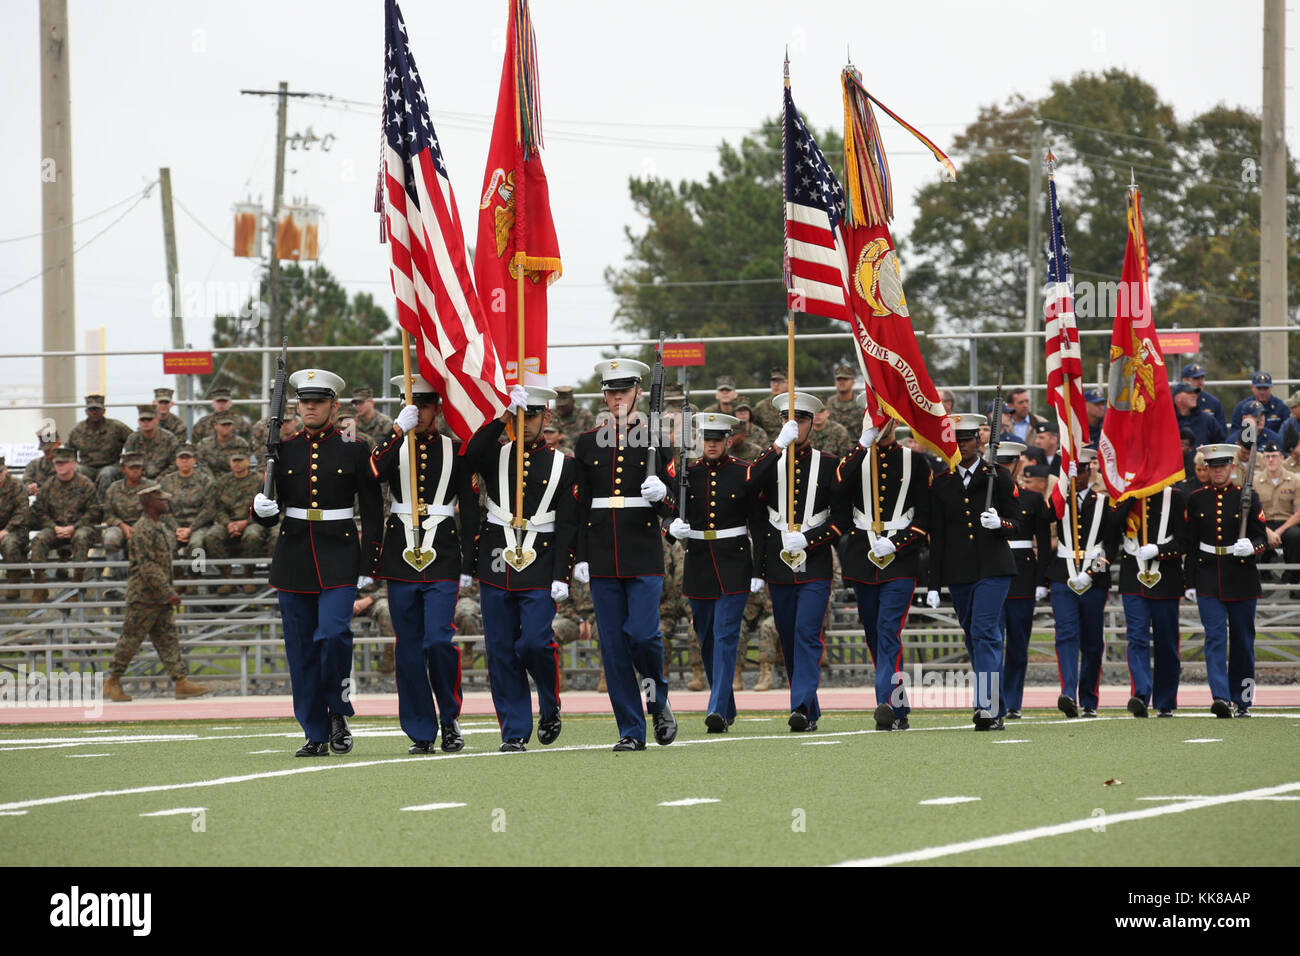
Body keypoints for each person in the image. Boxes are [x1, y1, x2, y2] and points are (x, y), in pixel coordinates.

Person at [251, 369, 383, 757]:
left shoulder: (355, 450)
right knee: (301, 651)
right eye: (304, 402)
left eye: (318, 401)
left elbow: (374, 512)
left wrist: (369, 565)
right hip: (293, 557)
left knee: (333, 635)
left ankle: (337, 711)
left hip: (340, 554)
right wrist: (260, 510)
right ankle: (314, 730)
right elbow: (270, 512)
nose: (310, 407)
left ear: (333, 405)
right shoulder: (284, 449)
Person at [572, 358, 678, 751]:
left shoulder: (657, 439)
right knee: (614, 646)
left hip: (642, 550)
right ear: (604, 395)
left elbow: (675, 504)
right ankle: (630, 730)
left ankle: (657, 699)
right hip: (601, 553)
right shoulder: (586, 442)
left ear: (637, 393)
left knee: (643, 635)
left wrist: (662, 495)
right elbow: (580, 507)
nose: (618, 396)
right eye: (611, 391)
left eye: (625, 390)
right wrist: (580, 556)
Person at [465, 384, 576, 752]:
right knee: (500, 649)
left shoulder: (564, 464)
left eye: (532, 416)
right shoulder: (496, 454)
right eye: (519, 416)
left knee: (534, 642)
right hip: (497, 558)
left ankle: (549, 701)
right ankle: (514, 729)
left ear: (546, 417)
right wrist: (500, 416)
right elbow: (470, 456)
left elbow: (568, 525)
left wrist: (562, 573)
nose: (525, 423)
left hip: (541, 561)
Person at [372, 374, 477, 755]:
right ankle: (421, 729)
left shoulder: (456, 449)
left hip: (444, 553)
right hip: (401, 554)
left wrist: (469, 559)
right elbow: (371, 472)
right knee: (409, 648)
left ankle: (449, 716)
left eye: (427, 405)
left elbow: (470, 510)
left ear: (439, 408)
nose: (421, 412)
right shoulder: (394, 445)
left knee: (438, 640)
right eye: (413, 404)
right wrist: (397, 428)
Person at [748, 393, 840, 732]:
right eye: (790, 420)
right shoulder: (770, 460)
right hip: (778, 561)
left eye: (801, 420)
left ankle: (798, 704)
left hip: (815, 561)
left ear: (812, 422)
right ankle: (808, 710)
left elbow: (840, 518)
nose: (796, 426)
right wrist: (776, 447)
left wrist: (811, 539)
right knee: (787, 636)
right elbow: (748, 486)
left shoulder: (829, 463)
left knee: (807, 633)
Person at [926, 413, 1020, 730]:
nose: (961, 445)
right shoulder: (941, 483)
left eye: (966, 439)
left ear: (979, 440)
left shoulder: (998, 476)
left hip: (994, 568)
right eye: (956, 440)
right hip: (959, 570)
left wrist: (1001, 523)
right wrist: (933, 585)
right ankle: (999, 703)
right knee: (972, 637)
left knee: (984, 633)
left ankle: (987, 707)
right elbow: (937, 537)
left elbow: (1018, 522)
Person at [835, 415, 929, 731]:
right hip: (863, 555)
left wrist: (898, 542)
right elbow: (837, 488)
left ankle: (884, 701)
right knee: (873, 631)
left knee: (889, 628)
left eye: (886, 421)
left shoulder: (915, 461)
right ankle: (899, 706)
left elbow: (924, 516)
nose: (881, 427)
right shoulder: (857, 457)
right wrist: (862, 446)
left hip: (900, 558)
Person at [667, 412, 756, 732]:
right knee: (705, 638)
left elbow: (757, 522)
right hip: (699, 561)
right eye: (707, 439)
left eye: (718, 439)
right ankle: (727, 705)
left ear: (729, 441)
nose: (712, 444)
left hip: (734, 562)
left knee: (726, 635)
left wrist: (757, 569)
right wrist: (670, 526)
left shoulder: (743, 472)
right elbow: (668, 509)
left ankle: (716, 707)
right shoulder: (686, 473)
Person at [102, 484, 211, 703]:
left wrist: (170, 590)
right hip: (143, 597)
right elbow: (147, 567)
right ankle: (112, 681)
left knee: (169, 639)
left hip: (159, 598)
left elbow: (165, 562)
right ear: (150, 504)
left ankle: (180, 682)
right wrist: (168, 591)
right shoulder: (142, 530)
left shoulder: (159, 527)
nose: (167, 502)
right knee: (130, 640)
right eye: (162, 499)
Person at [1186, 443, 1267, 717]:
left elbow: (1261, 538)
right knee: (1215, 638)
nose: (1218, 472)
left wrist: (1251, 547)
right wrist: (1189, 583)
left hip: (1241, 575)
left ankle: (1243, 700)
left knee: (1243, 641)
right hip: (1208, 575)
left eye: (1222, 467)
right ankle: (1221, 697)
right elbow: (1190, 543)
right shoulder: (1197, 498)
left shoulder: (1248, 497)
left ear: (1232, 468)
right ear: (1206, 469)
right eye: (1213, 467)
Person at [1039, 447, 1115, 719]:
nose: (1079, 475)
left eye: (1083, 470)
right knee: (1066, 635)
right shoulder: (1060, 499)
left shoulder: (1105, 503)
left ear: (1091, 470)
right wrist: (1062, 483)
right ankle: (1068, 693)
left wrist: (1091, 572)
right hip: (1063, 575)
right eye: (1074, 470)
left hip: (1094, 578)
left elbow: (1111, 546)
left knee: (1092, 641)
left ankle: (1090, 699)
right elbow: (1044, 517)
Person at [1109, 484, 1187, 718]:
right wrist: (1130, 498)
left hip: (1167, 577)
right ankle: (1140, 694)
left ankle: (1165, 701)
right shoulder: (1126, 495)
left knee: (1167, 641)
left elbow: (1185, 540)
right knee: (1136, 637)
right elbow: (1112, 525)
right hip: (1133, 575)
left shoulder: (1176, 497)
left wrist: (1160, 550)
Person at [995, 443, 1049, 719]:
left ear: (1017, 465)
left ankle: (1013, 700)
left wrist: (1042, 580)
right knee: (990, 642)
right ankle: (994, 700)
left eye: (1008, 464)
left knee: (1017, 643)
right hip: (991, 571)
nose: (1003, 469)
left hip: (1022, 575)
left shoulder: (1031, 499)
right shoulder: (986, 497)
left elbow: (1043, 543)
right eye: (999, 464)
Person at [29, 448, 101, 603]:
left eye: (63, 463)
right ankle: (40, 587)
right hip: (55, 528)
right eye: (57, 463)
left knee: (82, 537)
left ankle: (77, 585)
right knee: (38, 540)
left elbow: (94, 511)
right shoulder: (48, 485)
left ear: (73, 464)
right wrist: (53, 527)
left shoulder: (85, 484)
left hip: (79, 528)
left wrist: (74, 527)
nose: (60, 466)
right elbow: (39, 511)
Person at [204, 449, 269, 595]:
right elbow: (218, 508)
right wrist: (228, 524)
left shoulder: (259, 480)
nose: (237, 464)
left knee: (253, 536)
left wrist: (245, 522)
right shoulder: (222, 482)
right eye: (235, 461)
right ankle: (228, 579)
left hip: (253, 522)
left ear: (248, 462)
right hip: (228, 523)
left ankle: (248, 577)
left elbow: (265, 506)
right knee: (211, 536)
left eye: (241, 460)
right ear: (230, 463)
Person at [158, 445, 216, 576]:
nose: (184, 461)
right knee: (167, 543)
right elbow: (163, 510)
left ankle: (195, 578)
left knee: (197, 545)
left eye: (188, 458)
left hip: (198, 526)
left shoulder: (205, 481)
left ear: (194, 460)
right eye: (181, 458)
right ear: (176, 461)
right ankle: (176, 577)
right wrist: (177, 528)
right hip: (174, 526)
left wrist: (191, 529)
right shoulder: (166, 482)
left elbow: (209, 509)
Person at [65, 394, 133, 497]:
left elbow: (133, 440)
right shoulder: (78, 430)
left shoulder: (116, 427)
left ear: (104, 410)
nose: (94, 412)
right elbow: (69, 451)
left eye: (97, 409)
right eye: (91, 410)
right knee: (76, 471)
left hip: (111, 465)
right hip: (86, 466)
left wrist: (127, 461)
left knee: (106, 474)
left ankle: (103, 506)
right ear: (86, 412)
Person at [1253, 441, 1300, 592]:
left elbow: (1298, 513)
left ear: (1281, 458)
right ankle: (1260, 576)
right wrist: (1268, 531)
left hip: (1286, 524)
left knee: (1295, 536)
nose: (1271, 460)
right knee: (1255, 538)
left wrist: (1278, 532)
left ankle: (1293, 579)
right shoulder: (1255, 482)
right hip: (1263, 524)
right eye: (1267, 457)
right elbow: (1252, 513)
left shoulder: (1295, 480)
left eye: (1274, 456)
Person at [101, 453, 148, 559]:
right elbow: (108, 514)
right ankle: (118, 574)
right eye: (131, 467)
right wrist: (122, 525)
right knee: (110, 539)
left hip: (145, 527)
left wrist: (138, 527)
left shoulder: (151, 488)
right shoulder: (113, 489)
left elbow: (156, 512)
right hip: (119, 527)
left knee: (143, 538)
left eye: (138, 467)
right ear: (123, 469)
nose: (135, 470)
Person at [0, 456, 30, 599]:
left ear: (5, 470)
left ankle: (13, 583)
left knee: (9, 542)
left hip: (16, 529)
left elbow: (22, 512)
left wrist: (7, 530)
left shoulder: (17, 486)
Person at [123, 404, 179, 480]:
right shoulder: (133, 439)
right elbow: (128, 463)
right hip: (139, 480)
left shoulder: (169, 439)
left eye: (149, 419)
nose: (146, 422)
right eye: (143, 420)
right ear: (138, 421)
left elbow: (175, 463)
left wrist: (161, 477)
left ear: (157, 420)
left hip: (164, 479)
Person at [1173, 383, 1226, 448]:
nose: (1194, 395)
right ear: (1177, 398)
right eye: (1189, 393)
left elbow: (1221, 443)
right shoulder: (1166, 421)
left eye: (1195, 393)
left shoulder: (1208, 420)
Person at [748, 367, 790, 440]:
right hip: (771, 447)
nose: (776, 385)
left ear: (789, 383)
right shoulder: (762, 406)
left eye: (780, 381)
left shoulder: (797, 404)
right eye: (773, 382)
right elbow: (750, 426)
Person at [1179, 363, 1225, 429]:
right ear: (1184, 381)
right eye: (1196, 378)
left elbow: (1221, 433)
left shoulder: (1213, 403)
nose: (1201, 382)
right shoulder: (1174, 403)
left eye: (1202, 378)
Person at [24, 419, 61, 495]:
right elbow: (25, 482)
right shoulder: (35, 465)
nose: (46, 452)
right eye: (44, 449)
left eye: (49, 449)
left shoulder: (68, 464)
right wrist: (30, 488)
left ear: (58, 444)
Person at [824, 365, 863, 433]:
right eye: (839, 379)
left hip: (857, 442)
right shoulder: (828, 403)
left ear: (853, 383)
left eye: (845, 379)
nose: (842, 382)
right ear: (835, 383)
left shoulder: (860, 402)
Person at [1280, 391, 1300, 455]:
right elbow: (1280, 446)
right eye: (1290, 407)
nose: (1291, 410)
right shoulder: (1288, 424)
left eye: (1294, 407)